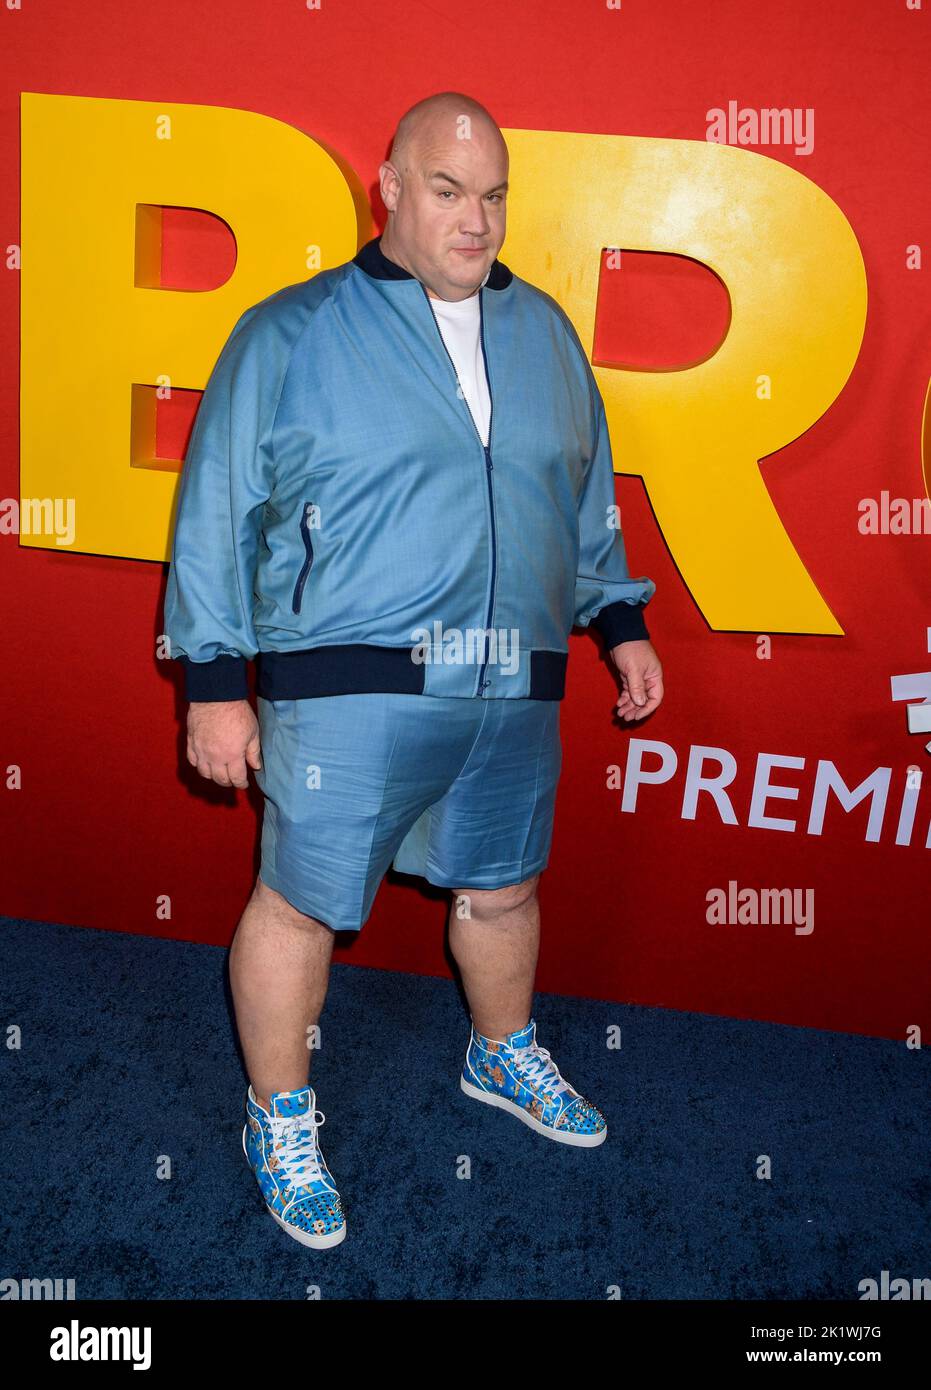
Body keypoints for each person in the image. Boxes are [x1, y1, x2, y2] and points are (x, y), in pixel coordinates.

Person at [164, 91, 664, 1250]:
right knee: (297, 909)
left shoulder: (543, 331)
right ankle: (277, 1116)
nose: (475, 219)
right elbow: (217, 512)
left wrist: (618, 619)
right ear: (388, 188)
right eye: (447, 191)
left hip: (512, 684)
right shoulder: (289, 332)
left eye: (493, 196)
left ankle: (500, 1052)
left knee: (502, 891)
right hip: (350, 691)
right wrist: (210, 680)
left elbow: (579, 496)